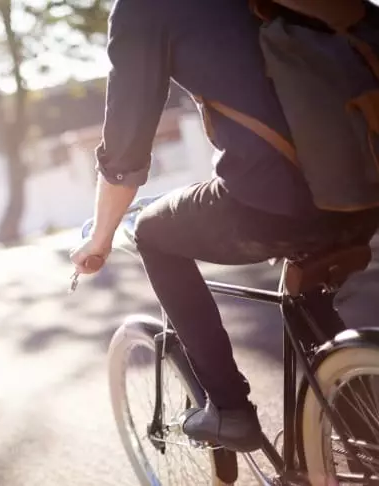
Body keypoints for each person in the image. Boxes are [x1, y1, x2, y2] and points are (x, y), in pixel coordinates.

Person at [69, 0, 379, 453]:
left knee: (155, 232)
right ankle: (363, 430)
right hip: (364, 191)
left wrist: (100, 238)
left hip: (279, 200)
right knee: (306, 283)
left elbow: (125, 149)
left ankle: (229, 409)